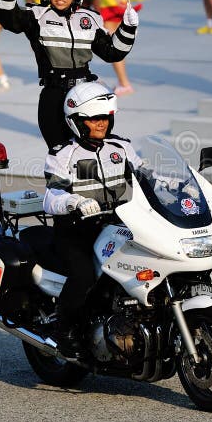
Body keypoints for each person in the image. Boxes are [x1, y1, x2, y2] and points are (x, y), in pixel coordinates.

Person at [0, 0, 139, 148]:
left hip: (86, 93)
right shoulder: (36, 16)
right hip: (53, 94)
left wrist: (128, 28)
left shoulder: (90, 18)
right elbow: (7, 17)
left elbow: (113, 53)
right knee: (59, 152)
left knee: (93, 150)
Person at [42, 81, 142, 358]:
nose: (101, 123)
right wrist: (74, 201)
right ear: (76, 121)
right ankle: (63, 331)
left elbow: (148, 176)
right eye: (94, 118)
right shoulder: (64, 154)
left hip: (119, 227)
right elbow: (50, 197)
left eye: (105, 117)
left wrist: (177, 183)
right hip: (77, 232)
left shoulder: (120, 147)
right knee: (84, 275)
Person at [88, 0, 138, 95]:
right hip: (122, 5)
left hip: (109, 7)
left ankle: (124, 83)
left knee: (112, 48)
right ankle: (124, 81)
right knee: (119, 45)